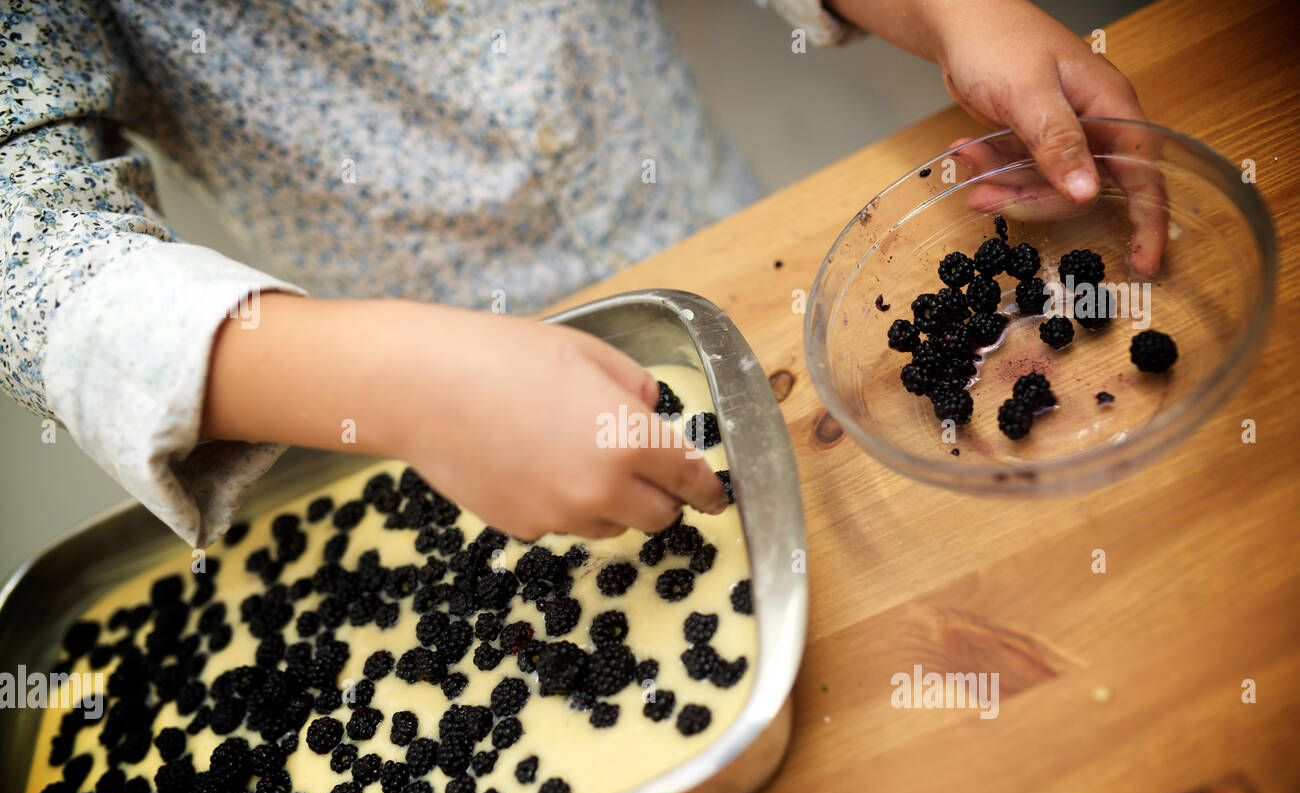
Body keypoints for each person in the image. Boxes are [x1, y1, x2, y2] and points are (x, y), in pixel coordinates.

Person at [0, 0, 1149, 544]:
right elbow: (27, 236)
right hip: (432, 407)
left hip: (700, 226)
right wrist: (403, 381)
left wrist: (948, 9)